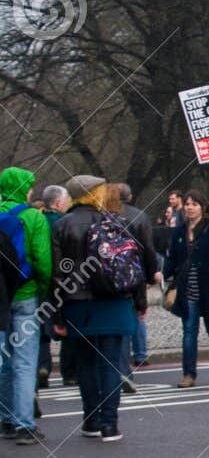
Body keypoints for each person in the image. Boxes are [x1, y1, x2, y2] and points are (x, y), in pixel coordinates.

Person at [48, 176, 156, 441]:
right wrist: (140, 301)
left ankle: (91, 419)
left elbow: (58, 274)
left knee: (85, 364)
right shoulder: (118, 222)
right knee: (110, 363)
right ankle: (110, 423)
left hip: (78, 303)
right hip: (115, 300)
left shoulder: (62, 226)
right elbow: (136, 266)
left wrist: (57, 313)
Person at [0, 166, 52, 445]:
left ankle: (5, 419)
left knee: (3, 361)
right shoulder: (33, 217)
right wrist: (43, 289)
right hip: (25, 294)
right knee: (24, 361)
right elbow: (42, 261)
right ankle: (23, 424)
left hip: (0, 298)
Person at [163, 191, 209, 387]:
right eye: (187, 204)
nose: (189, 207)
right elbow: (172, 259)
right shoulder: (179, 231)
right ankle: (189, 374)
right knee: (189, 331)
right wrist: (162, 274)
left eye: (194, 204)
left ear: (203, 207)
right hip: (187, 288)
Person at [115, 182, 158, 388]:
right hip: (136, 273)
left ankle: (121, 369)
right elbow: (148, 248)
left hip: (114, 276)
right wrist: (151, 274)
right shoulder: (140, 216)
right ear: (130, 197)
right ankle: (139, 354)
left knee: (120, 323)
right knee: (138, 315)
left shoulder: (105, 214)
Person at [36, 184, 70, 389]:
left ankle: (43, 366)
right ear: (58, 203)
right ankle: (70, 372)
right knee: (68, 327)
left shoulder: (36, 220)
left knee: (40, 330)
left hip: (40, 283)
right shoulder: (64, 223)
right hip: (63, 280)